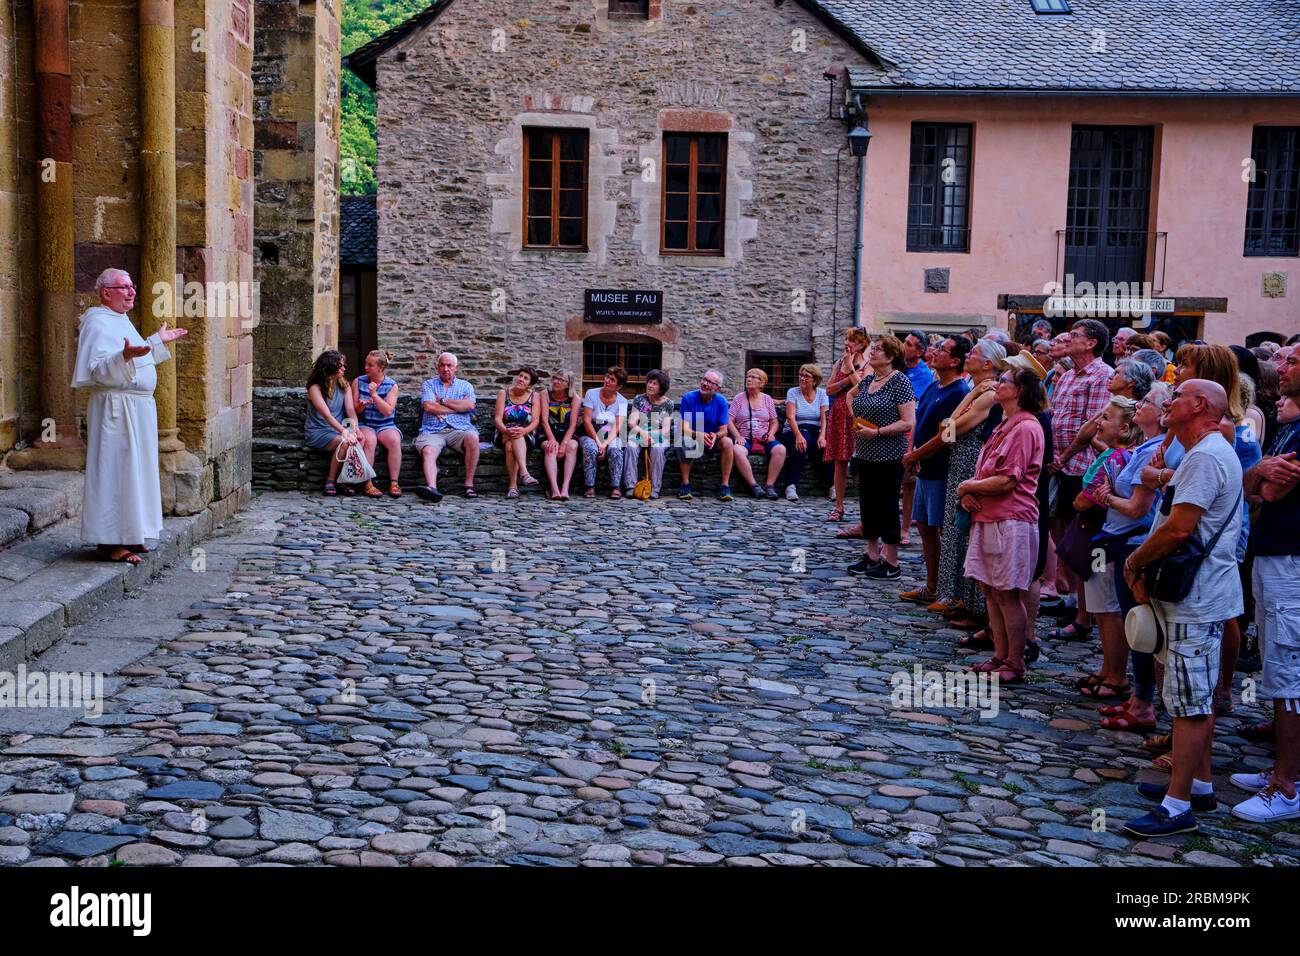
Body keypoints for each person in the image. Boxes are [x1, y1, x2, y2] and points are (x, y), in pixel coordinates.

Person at [1122, 379, 1243, 837]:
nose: (1168, 404)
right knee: (1197, 694)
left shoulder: (1207, 456)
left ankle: (1177, 807)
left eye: (1177, 398)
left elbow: (1178, 529)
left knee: (1190, 704)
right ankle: (1200, 785)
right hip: (1202, 592)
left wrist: (1135, 560)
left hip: (1197, 596)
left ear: (1200, 406)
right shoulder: (1205, 452)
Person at [73, 268, 188, 565]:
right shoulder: (96, 322)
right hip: (115, 410)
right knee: (115, 471)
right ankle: (109, 542)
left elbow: (134, 358)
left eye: (132, 286)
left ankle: (131, 533)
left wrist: (156, 341)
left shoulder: (120, 320)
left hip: (135, 410)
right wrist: (123, 357)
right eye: (124, 287)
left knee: (134, 472)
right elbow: (98, 369)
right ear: (105, 292)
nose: (132, 291)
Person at [1233, 347, 1300, 822]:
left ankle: (1288, 783)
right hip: (1274, 551)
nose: (1283, 365)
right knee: (1279, 662)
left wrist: (1255, 479)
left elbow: (1270, 491)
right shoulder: (1289, 425)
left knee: (1287, 668)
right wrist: (1255, 475)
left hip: (1292, 560)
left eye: (1294, 360)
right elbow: (1253, 487)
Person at [1087, 383, 1174, 732]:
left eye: (1148, 402)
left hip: (1127, 540)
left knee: (1134, 620)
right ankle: (1130, 688)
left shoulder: (1153, 449)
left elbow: (1138, 508)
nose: (1142, 405)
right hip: (1113, 537)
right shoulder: (1144, 449)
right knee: (1116, 613)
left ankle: (1141, 699)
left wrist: (1106, 497)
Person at [957, 366, 1047, 683]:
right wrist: (970, 493)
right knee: (991, 590)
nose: (997, 384)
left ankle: (1014, 662)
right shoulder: (1006, 424)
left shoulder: (1025, 428)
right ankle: (999, 655)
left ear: (1019, 390)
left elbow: (1008, 480)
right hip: (990, 517)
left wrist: (967, 488)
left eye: (1004, 381)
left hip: (1011, 520)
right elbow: (987, 474)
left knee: (1007, 594)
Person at [925, 339, 1006, 633]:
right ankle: (960, 597)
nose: (967, 356)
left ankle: (972, 603)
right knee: (956, 530)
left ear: (988, 364)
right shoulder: (978, 390)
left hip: (970, 463)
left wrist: (972, 393)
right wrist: (972, 390)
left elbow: (948, 430)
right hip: (960, 462)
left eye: (973, 354)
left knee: (966, 531)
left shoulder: (990, 394)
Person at [1070, 396, 1143, 701]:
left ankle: (1115, 673)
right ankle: (1107, 667)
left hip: (1105, 539)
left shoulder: (1118, 459)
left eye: (1106, 418)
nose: (1099, 422)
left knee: (1106, 608)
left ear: (1124, 428)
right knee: (1103, 606)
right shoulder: (1116, 454)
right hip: (1105, 536)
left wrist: (1085, 501)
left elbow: (1086, 499)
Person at [1044, 319, 1114, 639]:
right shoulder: (1068, 374)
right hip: (1058, 463)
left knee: (1081, 537)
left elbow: (1092, 427)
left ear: (1092, 343)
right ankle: (1072, 597)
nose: (1068, 339)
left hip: (1081, 465)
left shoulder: (1101, 376)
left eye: (1075, 336)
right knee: (1060, 529)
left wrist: (1064, 458)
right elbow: (1057, 416)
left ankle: (1087, 612)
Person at [900, 336, 972, 604]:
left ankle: (949, 590)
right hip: (925, 466)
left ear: (954, 361)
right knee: (925, 527)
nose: (935, 352)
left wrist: (917, 454)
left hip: (942, 469)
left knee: (943, 529)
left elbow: (948, 435)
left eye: (942, 350)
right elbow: (919, 421)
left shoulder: (959, 393)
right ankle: (931, 585)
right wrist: (913, 451)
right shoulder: (934, 386)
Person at [845, 335, 916, 579]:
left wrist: (877, 432)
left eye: (877, 349)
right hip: (865, 453)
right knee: (868, 505)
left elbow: (908, 422)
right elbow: (849, 396)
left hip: (888, 455)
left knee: (886, 506)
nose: (871, 352)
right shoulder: (869, 380)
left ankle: (892, 561)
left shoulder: (899, 381)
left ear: (891, 356)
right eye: (872, 348)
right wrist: (857, 420)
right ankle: (872, 554)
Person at [414, 351, 480, 501]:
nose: (445, 369)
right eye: (442, 365)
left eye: (449, 365)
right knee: (429, 451)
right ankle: (432, 488)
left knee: (473, 438)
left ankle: (469, 485)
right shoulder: (429, 384)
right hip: (432, 430)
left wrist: (442, 401)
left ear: (455, 367)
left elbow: (469, 405)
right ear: (437, 367)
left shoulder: (466, 386)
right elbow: (429, 407)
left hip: (460, 429)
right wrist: (457, 407)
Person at [823, 328, 869, 521]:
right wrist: (846, 383)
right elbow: (828, 390)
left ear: (862, 344)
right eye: (847, 339)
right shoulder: (839, 363)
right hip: (839, 414)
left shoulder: (867, 365)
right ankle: (839, 506)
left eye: (852, 341)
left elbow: (864, 388)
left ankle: (865, 509)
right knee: (839, 462)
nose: (847, 343)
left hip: (857, 415)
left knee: (863, 462)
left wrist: (851, 370)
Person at [304, 349, 359, 496]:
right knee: (344, 442)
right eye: (340, 366)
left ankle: (348, 480)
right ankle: (331, 480)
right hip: (319, 431)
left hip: (338, 430)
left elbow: (350, 410)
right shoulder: (315, 388)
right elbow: (327, 416)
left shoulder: (344, 386)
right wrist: (345, 432)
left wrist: (356, 430)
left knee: (358, 440)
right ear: (330, 367)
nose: (344, 368)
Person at [677, 369, 736, 502]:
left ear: (717, 388)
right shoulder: (689, 398)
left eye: (710, 382)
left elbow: (724, 430)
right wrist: (698, 434)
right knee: (683, 440)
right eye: (704, 379)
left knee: (727, 442)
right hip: (693, 438)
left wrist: (715, 435)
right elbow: (683, 428)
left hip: (712, 440)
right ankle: (685, 484)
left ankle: (725, 486)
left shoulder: (721, 401)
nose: (705, 383)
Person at [729, 369, 787, 499]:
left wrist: (771, 434)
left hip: (764, 438)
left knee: (780, 449)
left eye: (753, 377)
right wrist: (737, 436)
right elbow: (729, 420)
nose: (749, 379)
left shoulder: (767, 399)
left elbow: (774, 421)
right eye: (748, 377)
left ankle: (769, 486)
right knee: (737, 450)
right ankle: (754, 485)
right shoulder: (739, 398)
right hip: (745, 438)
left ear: (762, 383)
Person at [352, 350, 402, 499]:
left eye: (370, 365)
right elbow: (354, 409)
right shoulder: (358, 381)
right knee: (370, 440)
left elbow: (388, 411)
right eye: (366, 363)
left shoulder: (391, 385)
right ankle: (368, 483)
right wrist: (361, 405)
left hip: (385, 424)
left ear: (380, 368)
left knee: (394, 440)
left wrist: (374, 395)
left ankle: (394, 483)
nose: (366, 367)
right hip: (365, 423)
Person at [900, 330, 935, 542]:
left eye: (909, 344)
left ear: (920, 351)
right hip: (890, 428)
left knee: (908, 482)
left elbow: (911, 402)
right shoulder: (898, 367)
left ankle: (904, 529)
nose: (905, 346)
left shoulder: (923, 374)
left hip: (909, 430)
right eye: (904, 342)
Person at [778, 363, 829, 501]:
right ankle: (791, 485)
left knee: (825, 446)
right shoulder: (793, 392)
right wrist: (799, 436)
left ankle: (832, 486)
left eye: (806, 376)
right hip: (793, 430)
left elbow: (824, 417)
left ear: (815, 380)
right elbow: (790, 417)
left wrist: (823, 436)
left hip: (814, 430)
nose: (802, 378)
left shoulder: (822, 394)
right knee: (800, 443)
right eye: (801, 375)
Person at [624, 369, 676, 500]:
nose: (650, 385)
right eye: (649, 382)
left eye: (655, 383)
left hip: (658, 435)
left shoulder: (668, 404)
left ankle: (655, 487)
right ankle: (631, 486)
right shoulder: (639, 399)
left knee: (658, 450)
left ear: (661, 387)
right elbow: (632, 423)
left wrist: (650, 435)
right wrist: (643, 434)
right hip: (639, 433)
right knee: (631, 446)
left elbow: (665, 429)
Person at [581, 366, 630, 498]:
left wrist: (605, 443)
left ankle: (615, 486)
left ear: (618, 386)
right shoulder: (591, 393)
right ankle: (589, 486)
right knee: (591, 448)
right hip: (591, 432)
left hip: (611, 434)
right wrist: (598, 442)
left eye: (612, 379)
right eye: (607, 376)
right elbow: (586, 420)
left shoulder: (622, 401)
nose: (607, 380)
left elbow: (618, 425)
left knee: (615, 448)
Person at [494, 366, 542, 499]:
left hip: (526, 432)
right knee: (513, 435)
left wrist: (524, 430)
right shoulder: (503, 393)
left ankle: (513, 487)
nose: (521, 379)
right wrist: (505, 430)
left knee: (511, 446)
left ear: (530, 385)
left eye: (525, 378)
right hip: (503, 431)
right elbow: (498, 418)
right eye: (520, 376)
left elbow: (535, 421)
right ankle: (525, 473)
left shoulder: (534, 396)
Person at [540, 367, 580, 502]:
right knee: (550, 447)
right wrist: (551, 439)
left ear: (568, 384)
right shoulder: (545, 394)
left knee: (573, 446)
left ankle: (565, 487)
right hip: (548, 432)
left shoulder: (574, 398)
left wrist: (564, 443)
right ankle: (554, 488)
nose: (556, 382)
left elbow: (573, 425)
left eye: (560, 380)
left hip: (566, 434)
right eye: (555, 378)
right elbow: (544, 420)